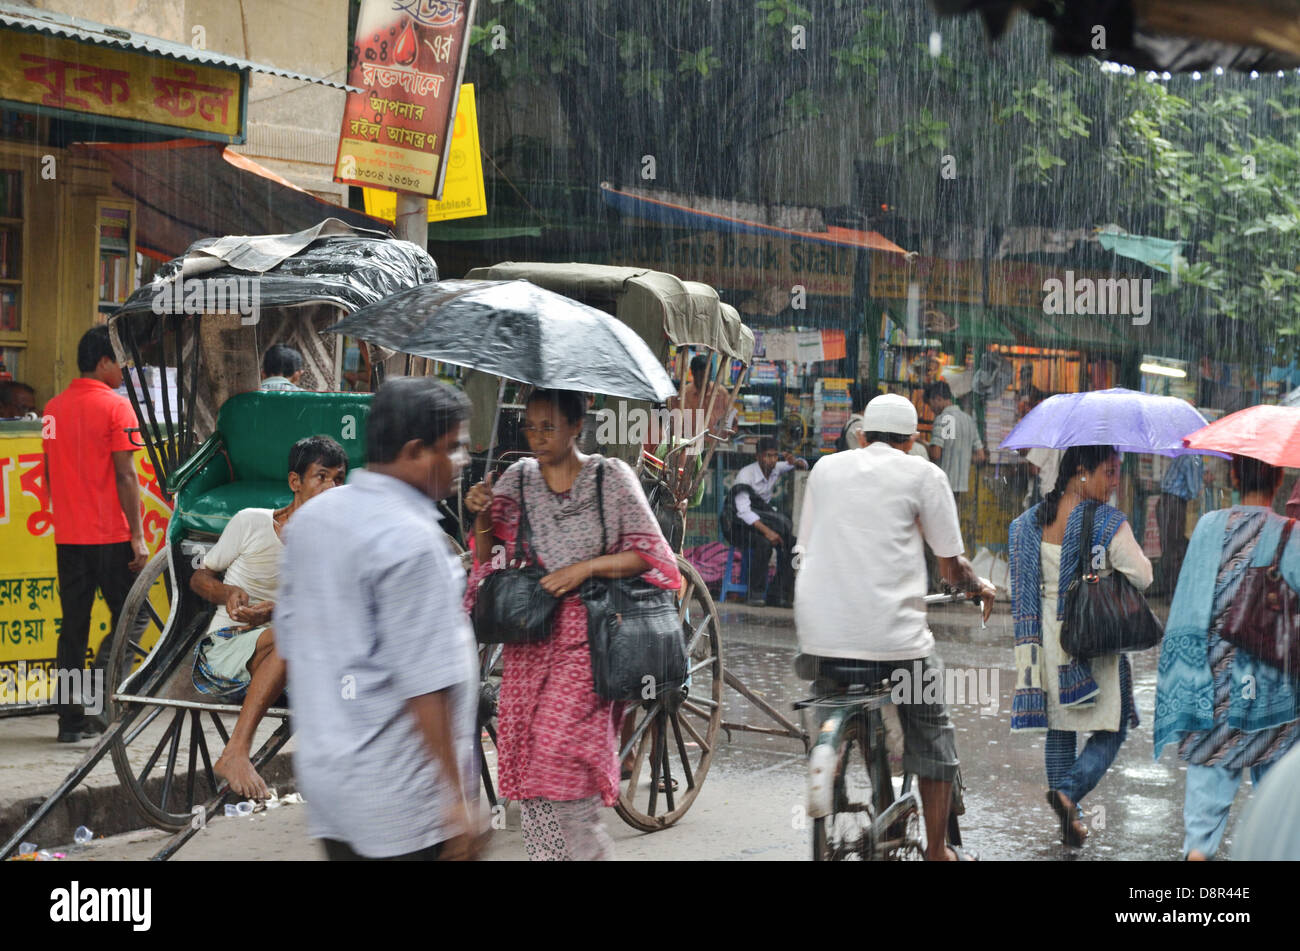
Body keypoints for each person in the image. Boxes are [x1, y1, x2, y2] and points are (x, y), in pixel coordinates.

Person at [463, 388, 681, 860]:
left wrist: (585, 568)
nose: (537, 437)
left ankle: (588, 853)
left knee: (561, 753)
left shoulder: (611, 478)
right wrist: (480, 516)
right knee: (530, 764)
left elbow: (648, 553)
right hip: (531, 639)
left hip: (593, 636)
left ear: (576, 426)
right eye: (531, 426)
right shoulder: (518, 479)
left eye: (549, 426)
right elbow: (487, 557)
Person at [275, 378, 480, 860]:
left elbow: (292, 640)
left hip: (333, 791)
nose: (464, 462)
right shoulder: (411, 541)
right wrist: (457, 799)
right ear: (415, 452)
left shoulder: (314, 521)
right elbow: (426, 686)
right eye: (454, 448)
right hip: (403, 803)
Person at [794, 393, 994, 861]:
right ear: (911, 442)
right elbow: (951, 566)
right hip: (894, 641)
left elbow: (803, 548)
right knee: (932, 731)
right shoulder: (923, 473)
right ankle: (938, 852)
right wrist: (977, 585)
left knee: (840, 694)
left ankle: (845, 757)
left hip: (820, 635)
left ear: (862, 437)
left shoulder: (825, 469)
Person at [1154, 453, 1300, 860]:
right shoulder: (1293, 533)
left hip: (1213, 691)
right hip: (1275, 693)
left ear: (1233, 475)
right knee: (1284, 813)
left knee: (1200, 829)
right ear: (1280, 479)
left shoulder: (1208, 526)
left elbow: (1187, 606)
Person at [1008, 445, 1152, 847]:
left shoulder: (1028, 523)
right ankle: (1069, 792)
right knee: (1116, 725)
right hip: (1091, 639)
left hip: (1046, 643)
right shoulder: (1108, 522)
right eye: (1109, 472)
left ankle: (1069, 818)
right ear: (1081, 472)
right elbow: (1143, 577)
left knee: (1060, 727)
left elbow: (1014, 584)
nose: (1115, 481)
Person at [189, 435, 347, 798]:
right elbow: (200, 577)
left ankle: (237, 752)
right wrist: (228, 593)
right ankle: (237, 752)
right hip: (226, 649)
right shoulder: (251, 523)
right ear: (296, 483)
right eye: (321, 477)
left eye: (338, 480)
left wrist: (276, 611)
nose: (331, 487)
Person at [43, 327, 149, 743]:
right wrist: (138, 537)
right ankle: (104, 694)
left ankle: (70, 723)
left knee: (73, 629)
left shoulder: (52, 409)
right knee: (133, 615)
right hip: (109, 537)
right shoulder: (117, 408)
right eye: (119, 360)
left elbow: (51, 473)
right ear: (103, 361)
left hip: (68, 538)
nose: (123, 369)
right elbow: (126, 475)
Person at [723, 436, 808, 608]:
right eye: (767, 456)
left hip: (762, 519)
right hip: (738, 525)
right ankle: (755, 593)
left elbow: (802, 465)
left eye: (775, 456)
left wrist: (795, 461)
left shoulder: (776, 468)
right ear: (758, 456)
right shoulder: (746, 475)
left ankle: (779, 593)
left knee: (792, 544)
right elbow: (743, 512)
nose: (771, 460)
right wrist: (768, 532)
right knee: (764, 543)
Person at [1150, 453, 1206, 597]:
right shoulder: (1193, 457)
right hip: (1174, 504)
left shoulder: (1184, 454)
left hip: (1167, 503)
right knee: (1174, 551)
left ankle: (1168, 590)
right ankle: (1172, 593)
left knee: (1171, 549)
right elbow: (1194, 489)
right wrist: (1204, 482)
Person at [925, 380, 985, 494]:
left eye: (930, 404)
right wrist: (962, 457)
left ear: (938, 398)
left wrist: (922, 443)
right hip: (961, 486)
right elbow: (980, 456)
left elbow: (935, 454)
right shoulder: (969, 420)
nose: (931, 409)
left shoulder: (943, 419)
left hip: (943, 484)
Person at [670, 354, 731, 438]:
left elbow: (731, 419)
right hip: (689, 445)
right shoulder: (683, 394)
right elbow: (674, 424)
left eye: (705, 375)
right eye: (699, 376)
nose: (702, 380)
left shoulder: (721, 393)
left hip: (715, 444)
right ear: (693, 373)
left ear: (710, 373)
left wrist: (725, 425)